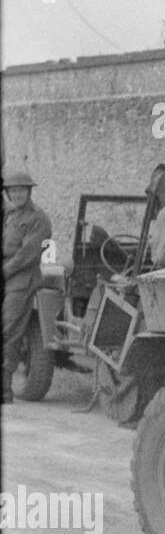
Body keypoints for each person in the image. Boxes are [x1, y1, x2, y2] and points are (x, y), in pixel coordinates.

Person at [2, 169, 53, 404]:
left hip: (23, 277)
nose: (17, 194)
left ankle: (4, 389)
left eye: (21, 190)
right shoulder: (10, 215)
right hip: (8, 273)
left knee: (9, 329)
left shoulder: (39, 218)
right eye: (13, 191)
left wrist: (5, 271)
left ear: (29, 191)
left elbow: (29, 254)